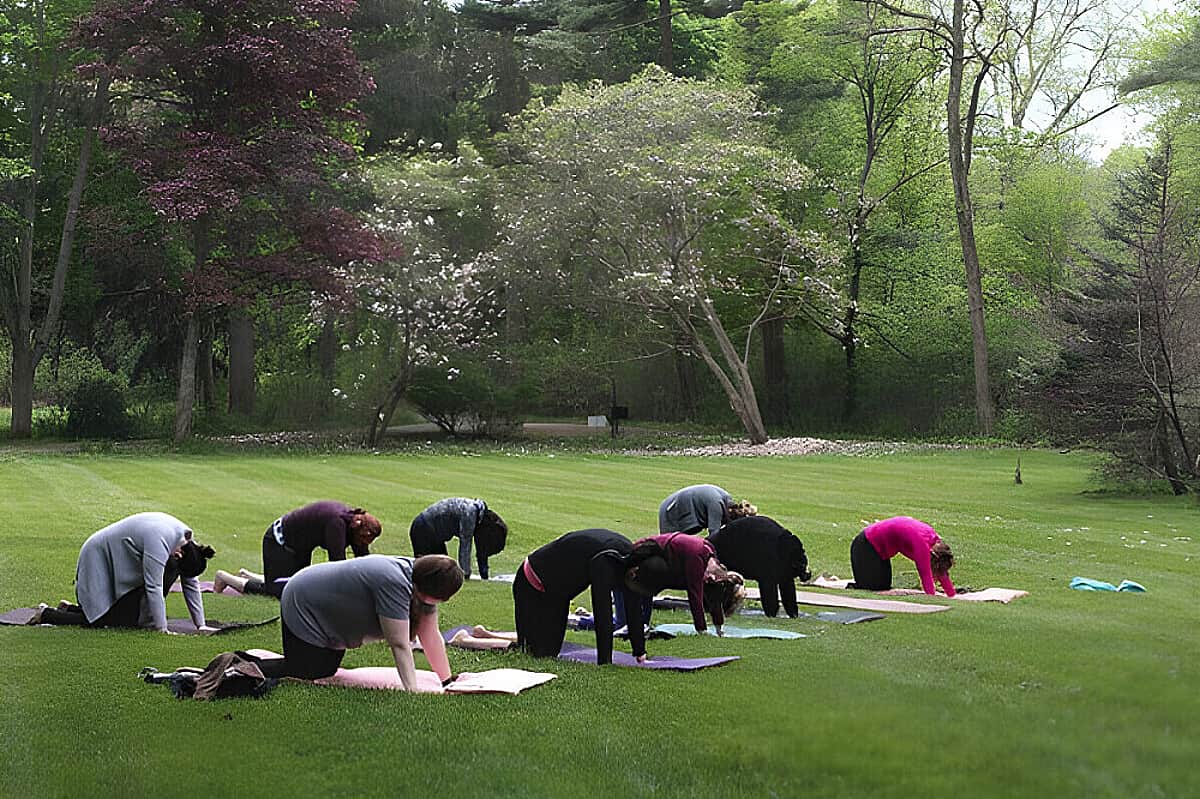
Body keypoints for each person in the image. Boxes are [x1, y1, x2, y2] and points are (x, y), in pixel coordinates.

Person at [252, 554, 464, 692]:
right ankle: (241, 667)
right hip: (304, 601)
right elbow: (399, 644)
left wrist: (447, 681)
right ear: (430, 590)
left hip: (329, 612)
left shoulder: (420, 583)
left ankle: (255, 663)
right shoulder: (394, 581)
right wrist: (412, 691)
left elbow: (431, 637)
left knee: (325, 670)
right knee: (303, 671)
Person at [31, 512, 217, 633]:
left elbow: (191, 584)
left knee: (120, 617)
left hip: (119, 556)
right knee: (101, 621)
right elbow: (154, 587)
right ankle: (46, 614)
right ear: (178, 554)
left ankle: (69, 609)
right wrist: (162, 629)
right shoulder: (159, 539)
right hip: (96, 554)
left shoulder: (187, 544)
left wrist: (200, 625)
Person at [513, 528, 648, 666]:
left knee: (549, 652)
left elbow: (634, 606)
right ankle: (498, 643)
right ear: (634, 572)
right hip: (532, 583)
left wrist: (639, 651)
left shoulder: (632, 560)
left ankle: (504, 642)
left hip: (559, 593)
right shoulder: (606, 560)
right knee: (531, 650)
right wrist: (605, 661)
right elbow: (602, 611)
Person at [211, 501, 381, 597]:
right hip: (278, 542)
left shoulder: (352, 523)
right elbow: (337, 565)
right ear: (358, 529)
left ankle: (252, 575)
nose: (364, 544)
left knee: (299, 585)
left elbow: (363, 559)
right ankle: (225, 578)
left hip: (300, 547)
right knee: (280, 592)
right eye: (364, 540)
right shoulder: (337, 524)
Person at [627, 532, 745, 635]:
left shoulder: (712, 559)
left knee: (708, 587)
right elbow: (695, 597)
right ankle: (635, 623)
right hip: (649, 550)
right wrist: (701, 629)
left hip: (671, 557)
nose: (707, 579)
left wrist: (719, 627)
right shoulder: (697, 560)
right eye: (708, 577)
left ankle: (641, 623)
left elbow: (714, 597)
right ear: (712, 575)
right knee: (644, 583)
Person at [708, 516, 812, 618]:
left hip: (745, 541)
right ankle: (714, 603)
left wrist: (793, 613)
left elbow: (786, 582)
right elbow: (768, 585)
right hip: (730, 544)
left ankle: (717, 603)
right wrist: (772, 613)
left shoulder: (785, 551)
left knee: (775, 578)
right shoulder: (773, 554)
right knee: (720, 576)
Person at [849, 516, 956, 596]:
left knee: (884, 586)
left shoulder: (933, 540)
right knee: (873, 588)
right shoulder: (922, 546)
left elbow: (942, 572)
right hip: (865, 545)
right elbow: (926, 577)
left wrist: (951, 594)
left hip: (881, 551)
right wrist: (932, 599)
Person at [409, 498, 507, 580]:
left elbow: (480, 549)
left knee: (443, 572)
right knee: (424, 574)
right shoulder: (470, 514)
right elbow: (465, 548)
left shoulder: (478, 514)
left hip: (433, 535)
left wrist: (484, 574)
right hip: (423, 530)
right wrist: (465, 574)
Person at [658, 484, 756, 536]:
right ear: (731, 513)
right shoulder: (716, 505)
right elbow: (714, 535)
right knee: (670, 544)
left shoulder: (726, 500)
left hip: (684, 504)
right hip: (671, 509)